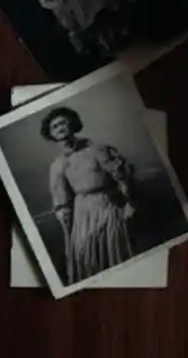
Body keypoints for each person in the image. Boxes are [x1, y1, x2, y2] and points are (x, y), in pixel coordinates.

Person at [41, 107, 136, 284]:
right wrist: (65, 221)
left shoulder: (97, 150)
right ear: (51, 134)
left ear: (72, 125)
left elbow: (122, 176)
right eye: (54, 126)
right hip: (82, 213)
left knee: (113, 248)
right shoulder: (58, 165)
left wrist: (129, 203)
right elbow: (61, 198)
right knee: (85, 255)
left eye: (63, 123)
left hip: (107, 204)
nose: (60, 128)